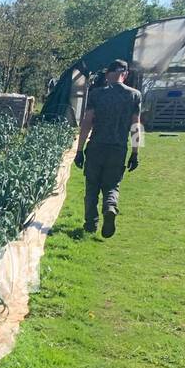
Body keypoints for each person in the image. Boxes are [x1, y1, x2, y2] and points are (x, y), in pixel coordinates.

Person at [75, 60, 143, 237]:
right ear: (125, 75)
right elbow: (136, 126)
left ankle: (90, 224)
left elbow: (87, 122)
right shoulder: (134, 95)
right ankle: (110, 207)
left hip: (96, 147)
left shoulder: (97, 94)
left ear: (108, 74)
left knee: (92, 186)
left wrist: (79, 150)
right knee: (112, 185)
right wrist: (135, 152)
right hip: (118, 149)